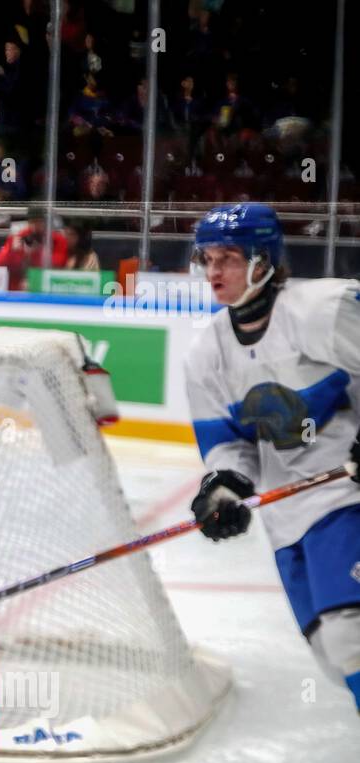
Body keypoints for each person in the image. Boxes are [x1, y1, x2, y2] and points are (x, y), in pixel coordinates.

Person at [185, 203, 360, 711]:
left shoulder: (319, 310)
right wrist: (223, 489)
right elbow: (227, 441)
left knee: (350, 638)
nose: (214, 272)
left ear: (263, 260)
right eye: (207, 259)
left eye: (228, 258)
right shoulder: (207, 352)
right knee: (332, 655)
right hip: (288, 520)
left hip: (346, 498)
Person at [0, 204, 67, 290]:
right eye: (33, 222)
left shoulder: (57, 239)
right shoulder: (20, 236)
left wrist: (36, 252)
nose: (36, 226)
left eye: (39, 222)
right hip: (18, 285)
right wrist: (12, 251)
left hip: (47, 285)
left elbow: (58, 264)